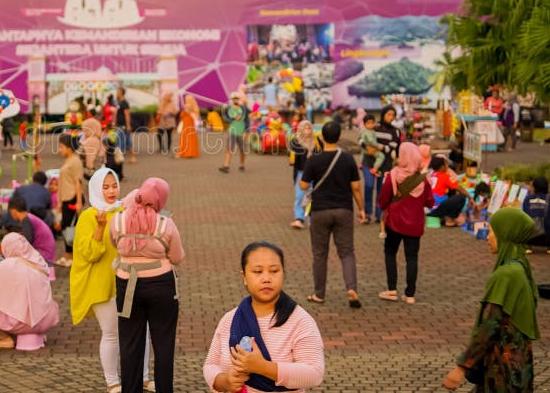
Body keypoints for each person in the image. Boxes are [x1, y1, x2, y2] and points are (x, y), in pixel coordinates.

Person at [71, 168, 153, 393]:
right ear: (96, 189)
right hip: (100, 284)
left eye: (114, 185)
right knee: (111, 332)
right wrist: (99, 228)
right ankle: (112, 382)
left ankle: (144, 377)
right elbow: (89, 254)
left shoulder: (124, 210)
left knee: (140, 329)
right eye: (105, 187)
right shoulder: (88, 217)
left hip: (128, 279)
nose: (110, 191)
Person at [203, 242, 325, 393]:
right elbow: (210, 365)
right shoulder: (230, 318)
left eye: (274, 271)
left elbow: (314, 373)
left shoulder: (299, 321)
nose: (266, 278)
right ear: (244, 276)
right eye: (258, 271)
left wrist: (262, 367)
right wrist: (223, 381)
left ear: (283, 273)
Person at [442, 208, 540, 391]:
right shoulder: (521, 267)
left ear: (505, 234)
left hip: (502, 373)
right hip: (519, 368)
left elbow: (490, 325)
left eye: (492, 232)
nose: (488, 237)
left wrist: (462, 367)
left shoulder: (507, 275)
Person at [111, 178, 185, 393]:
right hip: (161, 286)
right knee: (163, 342)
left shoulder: (118, 221)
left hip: (126, 284)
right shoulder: (165, 223)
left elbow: (115, 244)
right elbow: (177, 257)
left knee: (129, 341)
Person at [300, 121, 366, 307]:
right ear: (339, 137)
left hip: (320, 211)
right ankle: (351, 288)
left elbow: (303, 185)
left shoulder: (315, 159)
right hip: (344, 210)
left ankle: (319, 294)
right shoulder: (347, 158)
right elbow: (356, 187)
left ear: (322, 137)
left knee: (320, 254)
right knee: (346, 252)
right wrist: (361, 209)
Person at [0, 232, 59, 349]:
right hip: (46, 319)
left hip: (24, 324)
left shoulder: (8, 264)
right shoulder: (38, 261)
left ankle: (0, 337)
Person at [377, 143, 434, 305]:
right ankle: (410, 294)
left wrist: (384, 208)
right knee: (412, 257)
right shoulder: (423, 179)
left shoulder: (393, 175)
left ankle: (392, 289)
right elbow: (430, 202)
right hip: (415, 225)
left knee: (390, 252)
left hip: (394, 222)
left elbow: (383, 199)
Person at [362, 106, 401, 223]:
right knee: (369, 186)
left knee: (381, 190)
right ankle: (368, 213)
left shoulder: (396, 131)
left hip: (385, 164)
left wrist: (379, 149)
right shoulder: (374, 126)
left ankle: (380, 215)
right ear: (383, 114)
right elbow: (363, 138)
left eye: (393, 115)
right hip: (368, 162)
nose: (391, 117)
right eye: (388, 114)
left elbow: (393, 147)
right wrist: (367, 147)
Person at [56, 134, 83, 268]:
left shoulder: (75, 161)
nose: (59, 150)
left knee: (70, 229)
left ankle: (71, 256)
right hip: (66, 198)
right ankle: (67, 255)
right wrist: (60, 202)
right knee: (66, 227)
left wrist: (79, 202)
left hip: (72, 197)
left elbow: (78, 182)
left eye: (61, 147)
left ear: (68, 148)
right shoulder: (68, 160)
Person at [6, 195, 56, 264]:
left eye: (11, 212)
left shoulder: (27, 220)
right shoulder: (29, 217)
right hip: (47, 253)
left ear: (14, 211)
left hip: (44, 256)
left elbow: (27, 241)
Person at [523, 177, 550, 254]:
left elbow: (522, 218)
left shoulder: (527, 199)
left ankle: (527, 246)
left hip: (529, 238)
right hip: (549, 238)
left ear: (534, 187)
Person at [427, 155, 474, 227]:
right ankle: (450, 220)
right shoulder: (444, 176)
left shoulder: (432, 175)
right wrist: (470, 197)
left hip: (429, 209)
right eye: (446, 164)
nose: (447, 166)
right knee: (461, 197)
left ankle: (444, 218)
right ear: (442, 167)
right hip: (437, 208)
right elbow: (459, 188)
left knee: (450, 195)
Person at [290, 120, 315, 229]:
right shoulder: (296, 142)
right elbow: (293, 160)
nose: (307, 130)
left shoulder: (316, 143)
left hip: (314, 174)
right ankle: (299, 218)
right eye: (305, 128)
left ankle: (311, 218)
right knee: (300, 196)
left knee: (312, 196)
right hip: (301, 172)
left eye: (309, 128)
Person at [219, 92, 249, 173]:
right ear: (232, 100)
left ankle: (242, 164)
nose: (235, 100)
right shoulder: (229, 109)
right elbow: (227, 119)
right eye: (234, 99)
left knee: (242, 149)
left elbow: (247, 120)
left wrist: (247, 131)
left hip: (241, 131)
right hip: (232, 130)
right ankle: (226, 165)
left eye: (237, 98)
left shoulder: (244, 109)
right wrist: (230, 119)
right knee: (229, 148)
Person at [115, 87, 137, 164]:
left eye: (118, 91)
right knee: (125, 141)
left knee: (123, 141)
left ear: (121, 93)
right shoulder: (119, 102)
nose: (117, 93)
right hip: (119, 125)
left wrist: (128, 125)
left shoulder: (124, 103)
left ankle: (130, 157)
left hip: (123, 125)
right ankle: (130, 157)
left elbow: (127, 114)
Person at [177, 94, 200, 159]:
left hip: (187, 124)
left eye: (186, 99)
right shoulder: (195, 107)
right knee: (191, 139)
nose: (185, 100)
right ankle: (191, 152)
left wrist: (185, 109)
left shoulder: (187, 105)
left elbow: (184, 114)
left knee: (185, 139)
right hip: (190, 125)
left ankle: (186, 153)